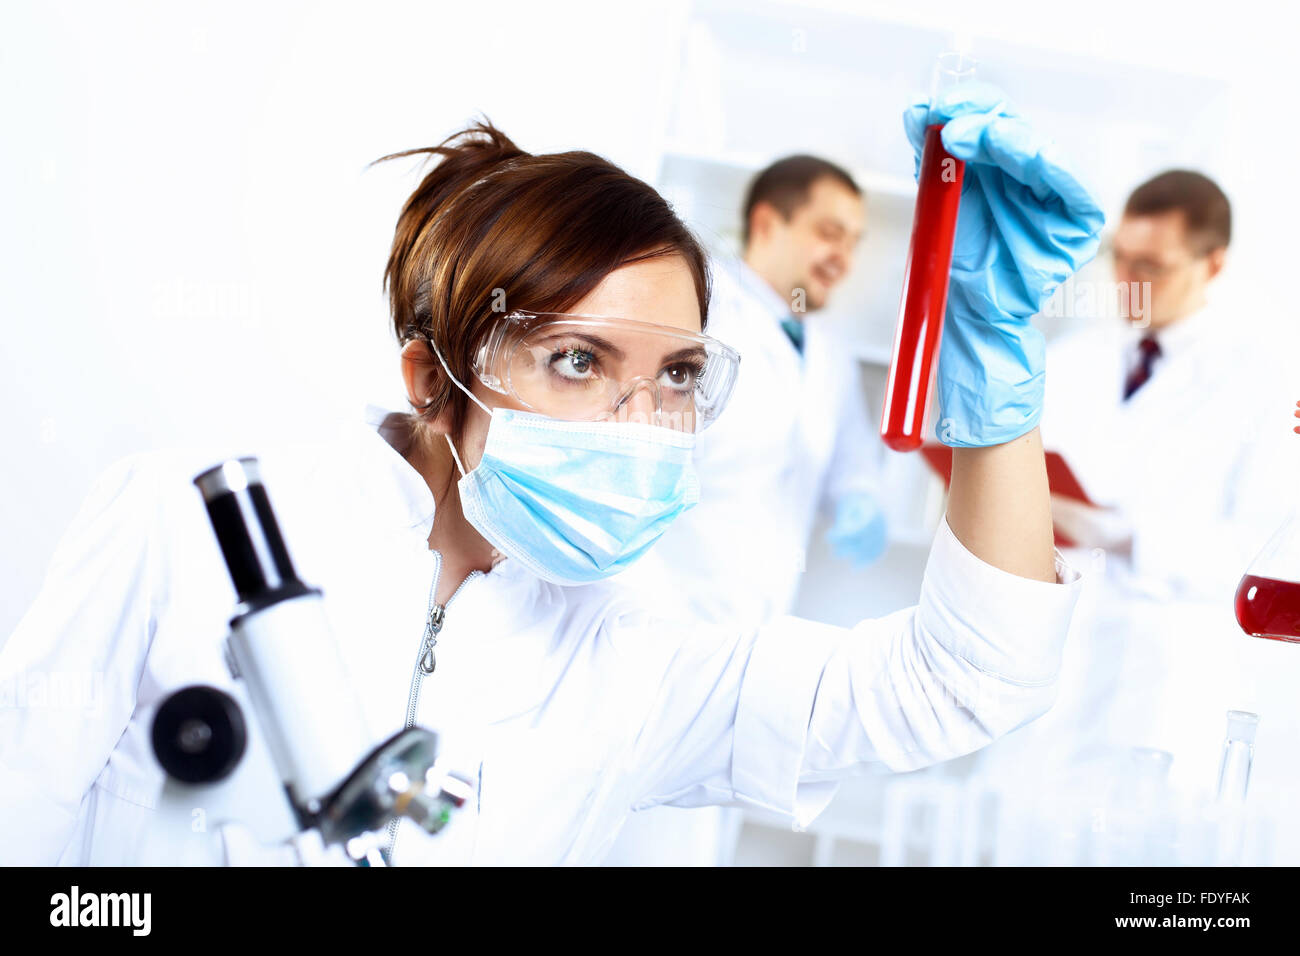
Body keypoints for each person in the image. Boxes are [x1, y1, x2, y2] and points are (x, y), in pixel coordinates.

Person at [0, 83, 1103, 866]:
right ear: (432, 378)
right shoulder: (189, 525)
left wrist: (996, 393)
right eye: (577, 361)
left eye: (676, 372)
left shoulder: (635, 654)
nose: (638, 421)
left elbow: (966, 680)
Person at [602, 155, 886, 865]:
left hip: (751, 649)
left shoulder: (829, 349)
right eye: (828, 231)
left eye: (852, 240)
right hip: (660, 632)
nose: (841, 257)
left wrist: (860, 498)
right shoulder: (698, 317)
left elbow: (851, 463)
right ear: (768, 222)